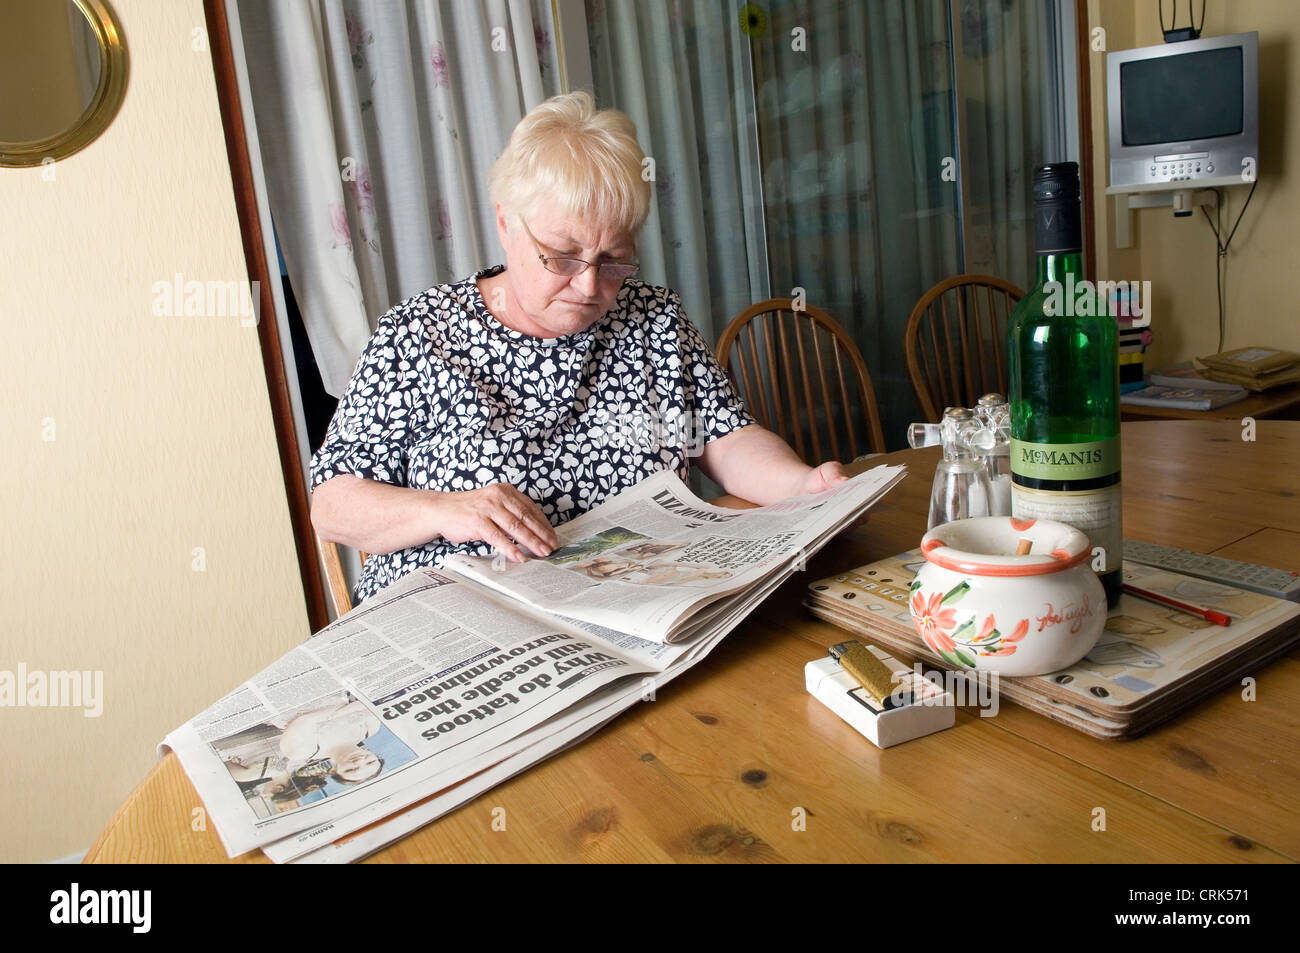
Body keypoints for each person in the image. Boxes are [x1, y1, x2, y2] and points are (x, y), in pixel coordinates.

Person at [310, 91, 849, 606]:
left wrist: (804, 485)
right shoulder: (419, 333)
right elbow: (333, 507)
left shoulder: (652, 317)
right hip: (461, 618)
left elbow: (726, 440)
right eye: (563, 256)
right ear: (505, 224)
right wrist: (444, 510)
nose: (591, 287)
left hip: (634, 602)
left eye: (614, 260)